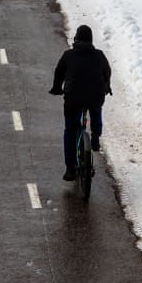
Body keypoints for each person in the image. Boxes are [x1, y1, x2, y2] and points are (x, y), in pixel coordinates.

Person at [49, 24, 112, 181]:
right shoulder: (99, 55)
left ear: (76, 38)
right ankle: (96, 137)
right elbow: (107, 71)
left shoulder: (68, 55)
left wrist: (57, 88)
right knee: (96, 107)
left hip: (73, 98)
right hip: (95, 96)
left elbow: (59, 72)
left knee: (70, 130)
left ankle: (70, 168)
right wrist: (106, 86)